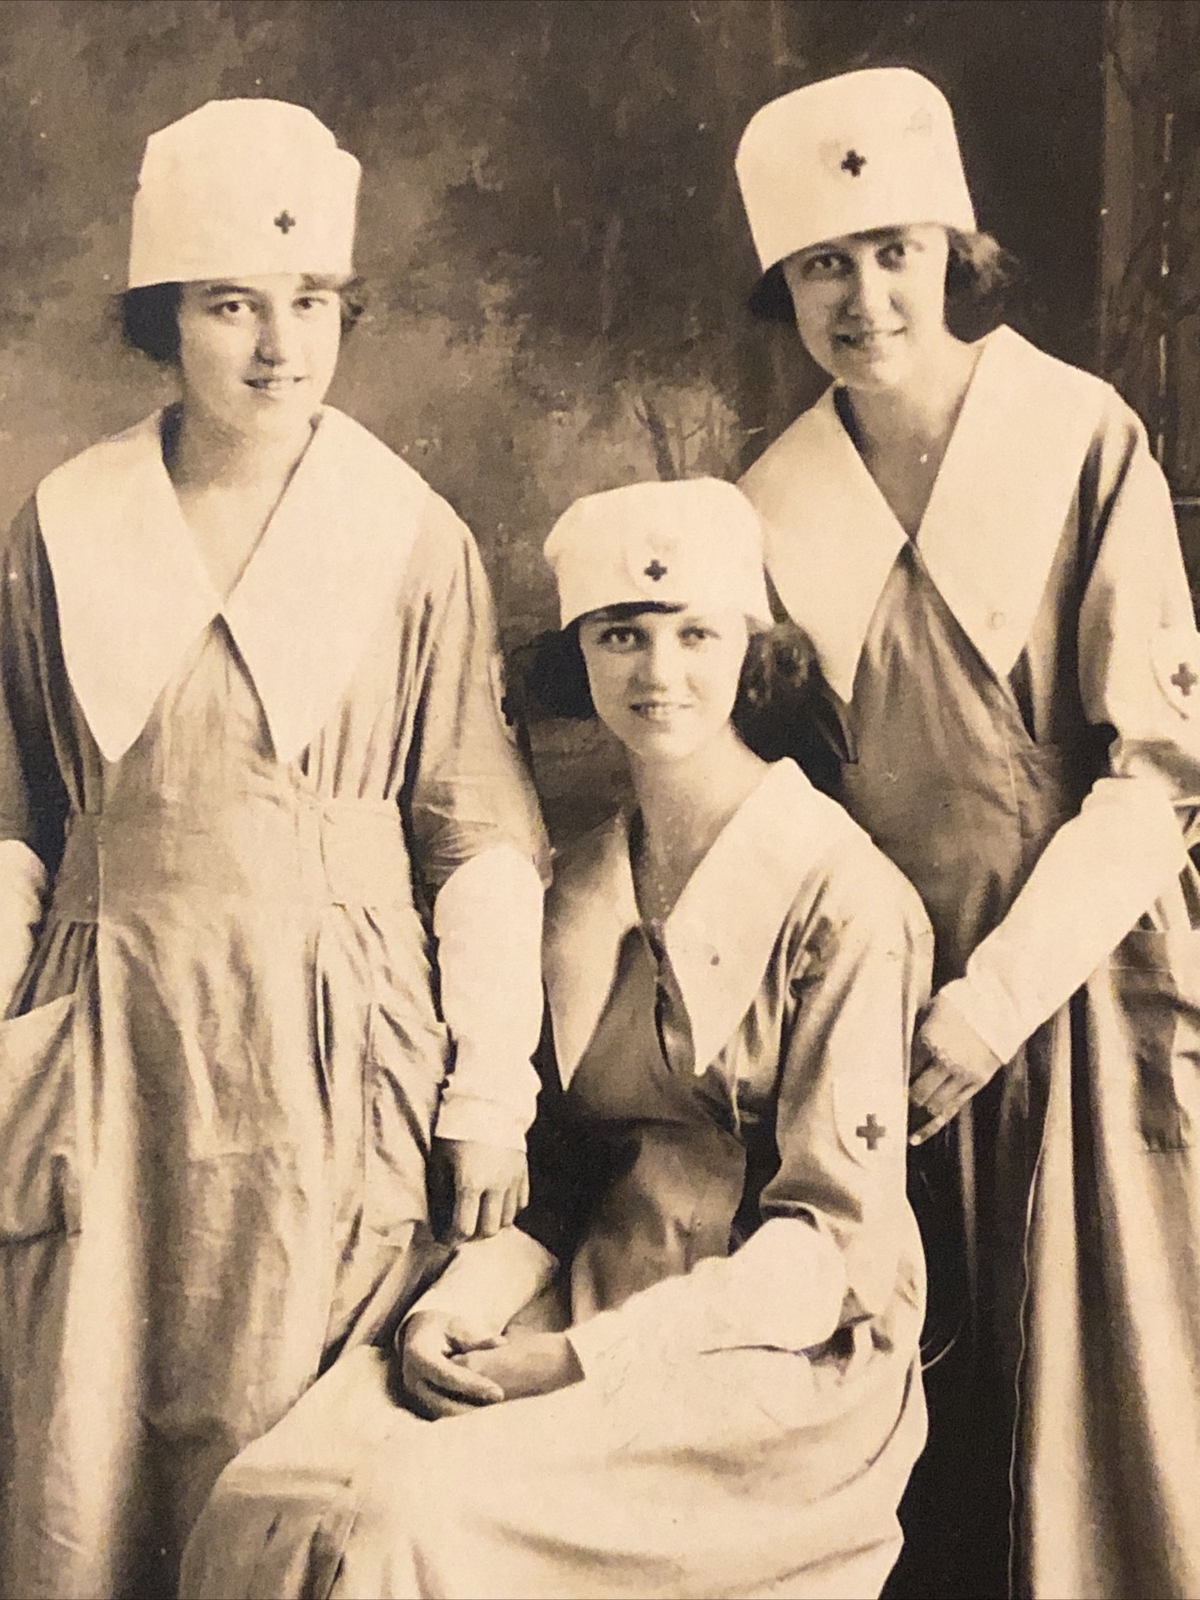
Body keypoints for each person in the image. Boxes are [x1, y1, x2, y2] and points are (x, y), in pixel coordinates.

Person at [179, 477, 932, 1600]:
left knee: (405, 1515)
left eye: (694, 634)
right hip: (582, 1289)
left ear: (751, 651)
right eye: (620, 634)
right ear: (579, 652)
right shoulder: (576, 885)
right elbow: (558, 1180)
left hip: (777, 1353)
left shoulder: (844, 899)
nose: (658, 671)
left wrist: (579, 1359)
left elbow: (832, 1244)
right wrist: (450, 1314)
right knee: (274, 1493)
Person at [0, 99, 546, 1599]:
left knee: (293, 1440)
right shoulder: (63, 526)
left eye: (311, 302)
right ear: (163, 318)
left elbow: (479, 834)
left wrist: (489, 1093)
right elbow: (13, 818)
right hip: (109, 1046)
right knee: (85, 1441)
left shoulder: (405, 532)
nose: (277, 346)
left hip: (328, 1047)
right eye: (231, 304)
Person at [735, 66, 1200, 1600]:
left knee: (1116, 1397)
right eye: (823, 265)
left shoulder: (1076, 434)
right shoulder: (771, 503)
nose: (864, 298)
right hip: (886, 1012)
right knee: (920, 1406)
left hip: (1082, 984)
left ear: (953, 249)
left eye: (894, 252)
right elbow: (781, 799)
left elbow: (1159, 773)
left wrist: (997, 1000)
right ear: (784, 284)